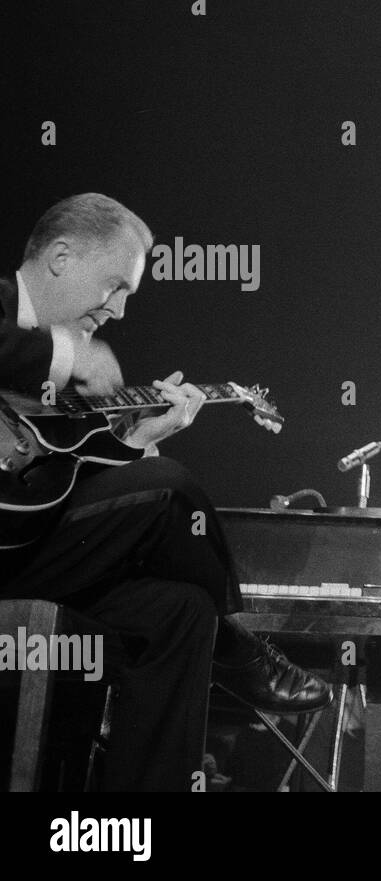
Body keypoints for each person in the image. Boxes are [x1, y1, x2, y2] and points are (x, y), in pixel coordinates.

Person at [0, 193, 331, 791]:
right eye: (116, 286)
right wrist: (73, 353)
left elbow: (57, 481)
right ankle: (240, 651)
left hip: (27, 548)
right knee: (170, 485)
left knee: (181, 610)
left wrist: (138, 440)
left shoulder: (64, 392)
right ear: (60, 257)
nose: (120, 310)